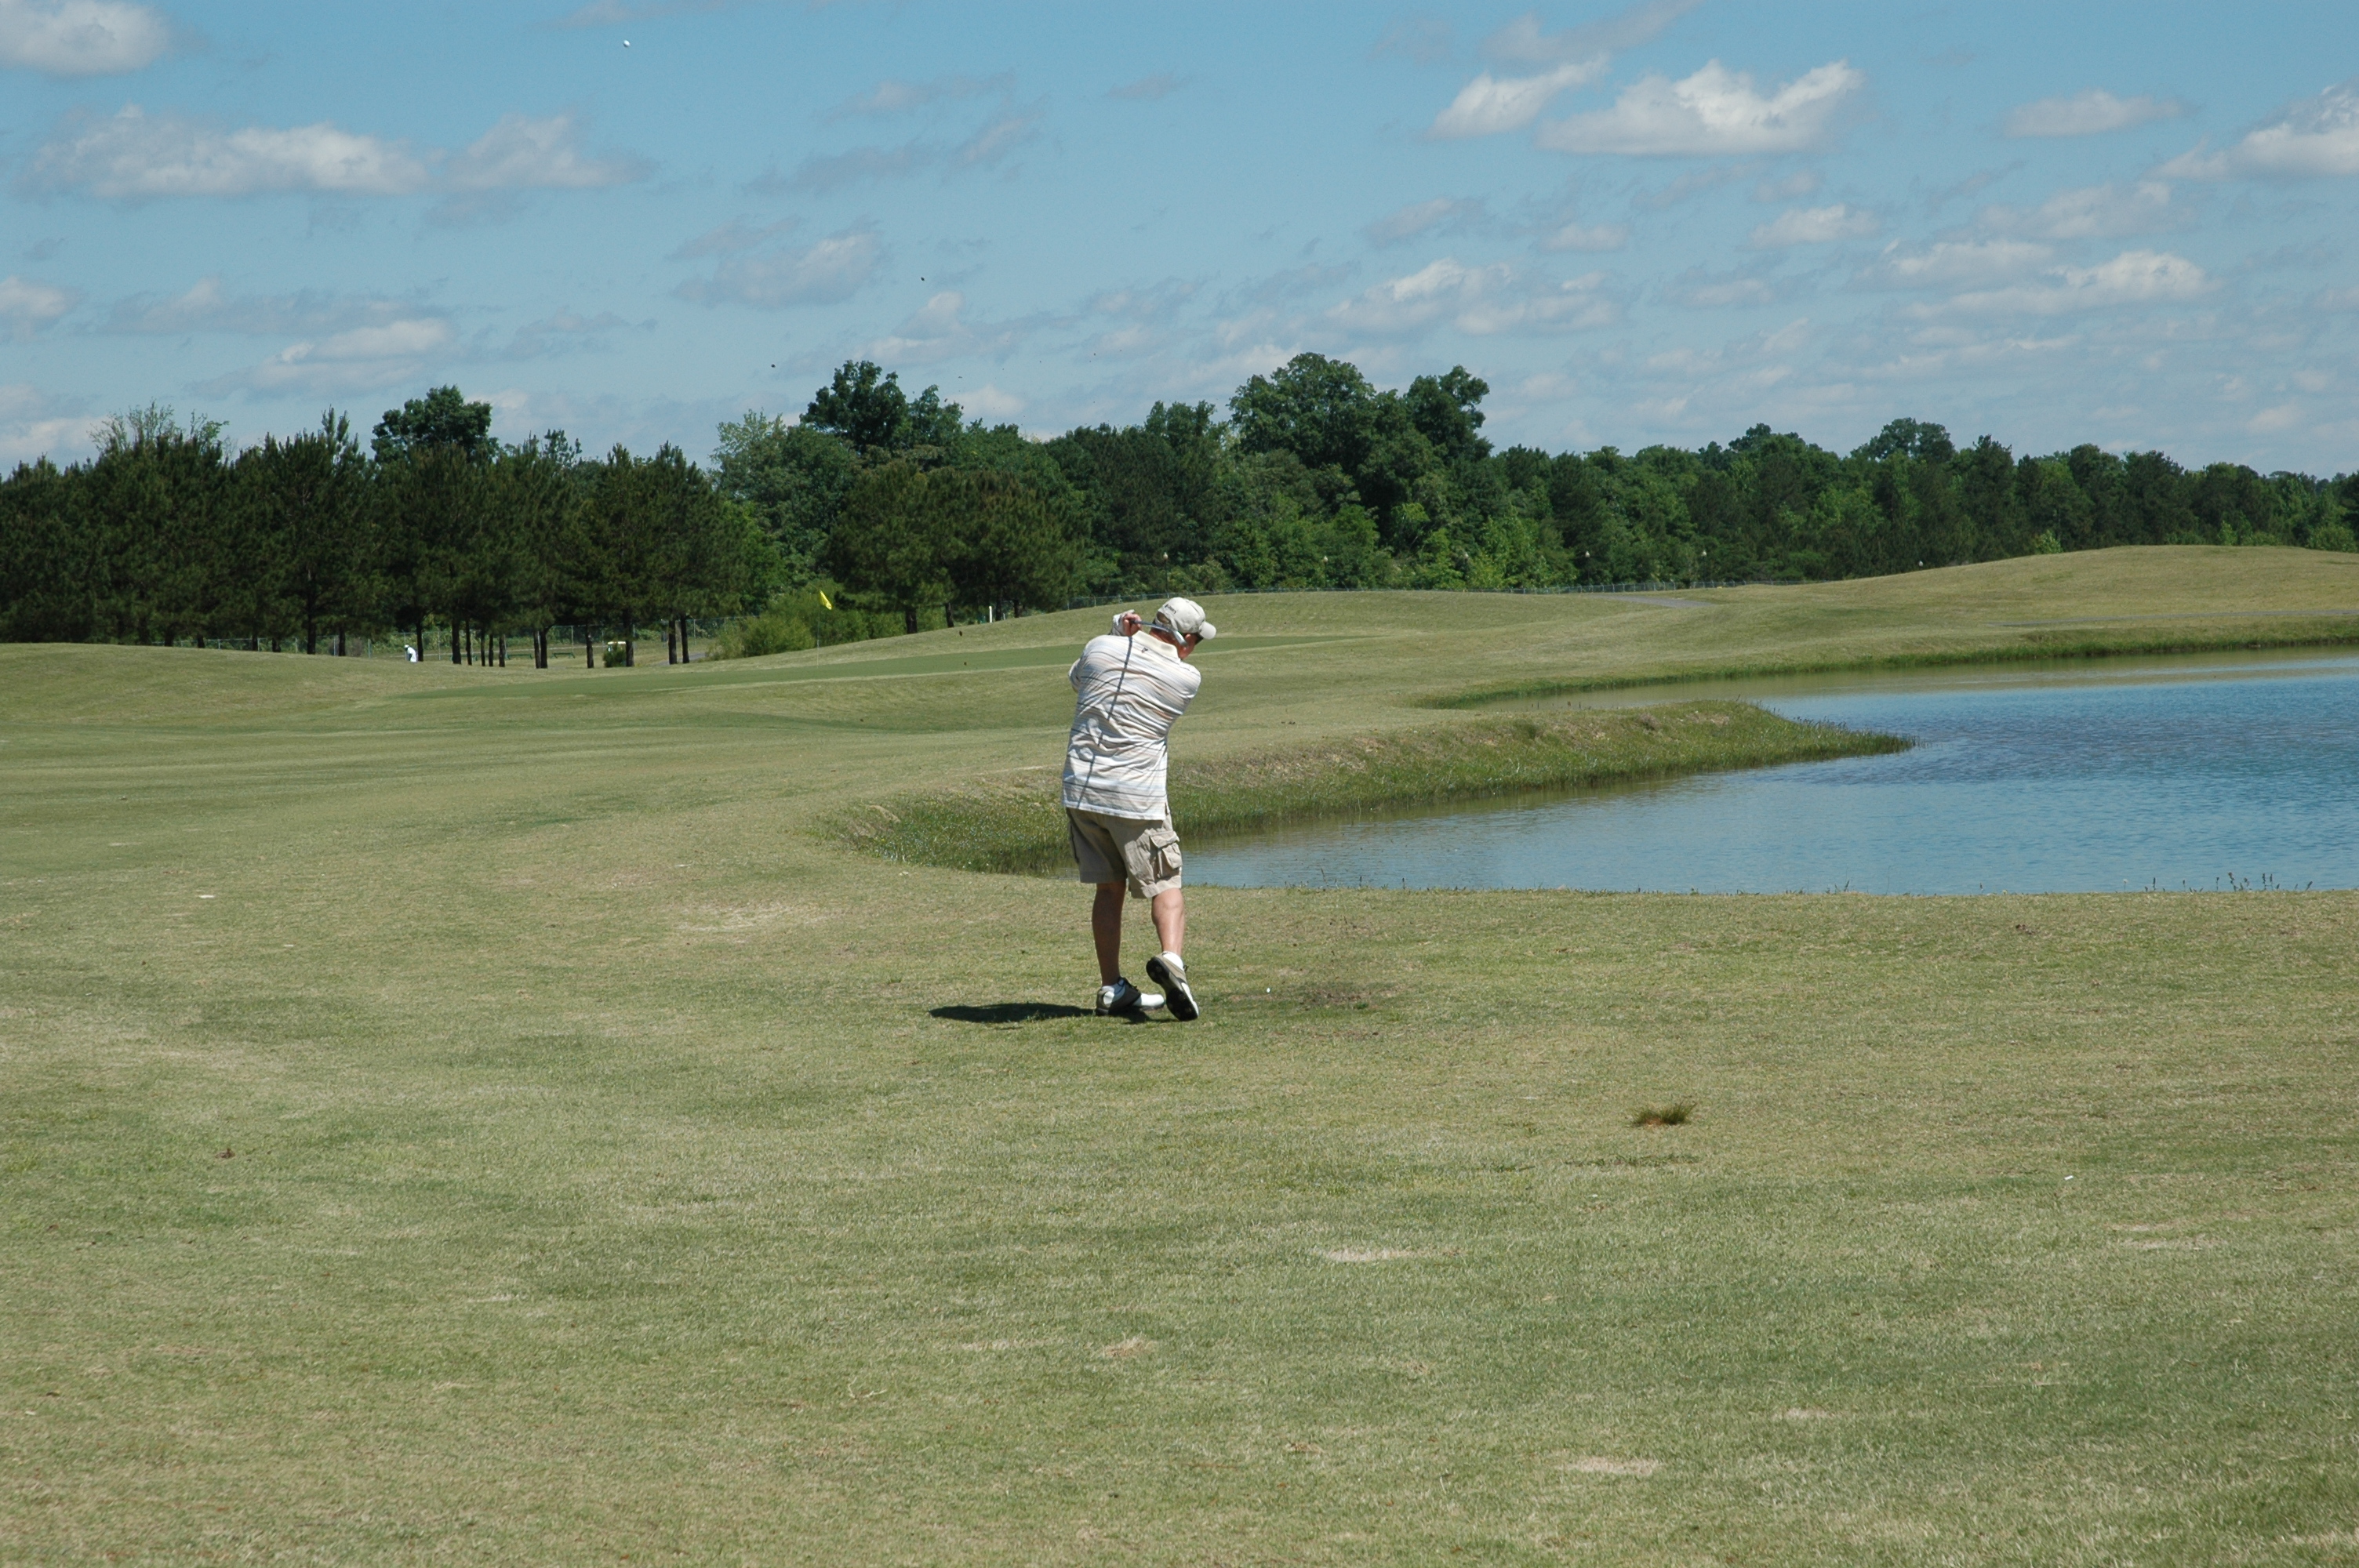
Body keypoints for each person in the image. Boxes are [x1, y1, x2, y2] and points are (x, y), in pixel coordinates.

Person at [1063, 596, 1216, 1019]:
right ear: (1184, 640)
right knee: (1166, 882)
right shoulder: (1186, 678)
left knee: (1108, 888)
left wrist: (1116, 634)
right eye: (1196, 642)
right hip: (1135, 798)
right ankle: (1173, 961)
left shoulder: (1100, 647)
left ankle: (1112, 988)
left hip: (1081, 791)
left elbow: (1078, 679)